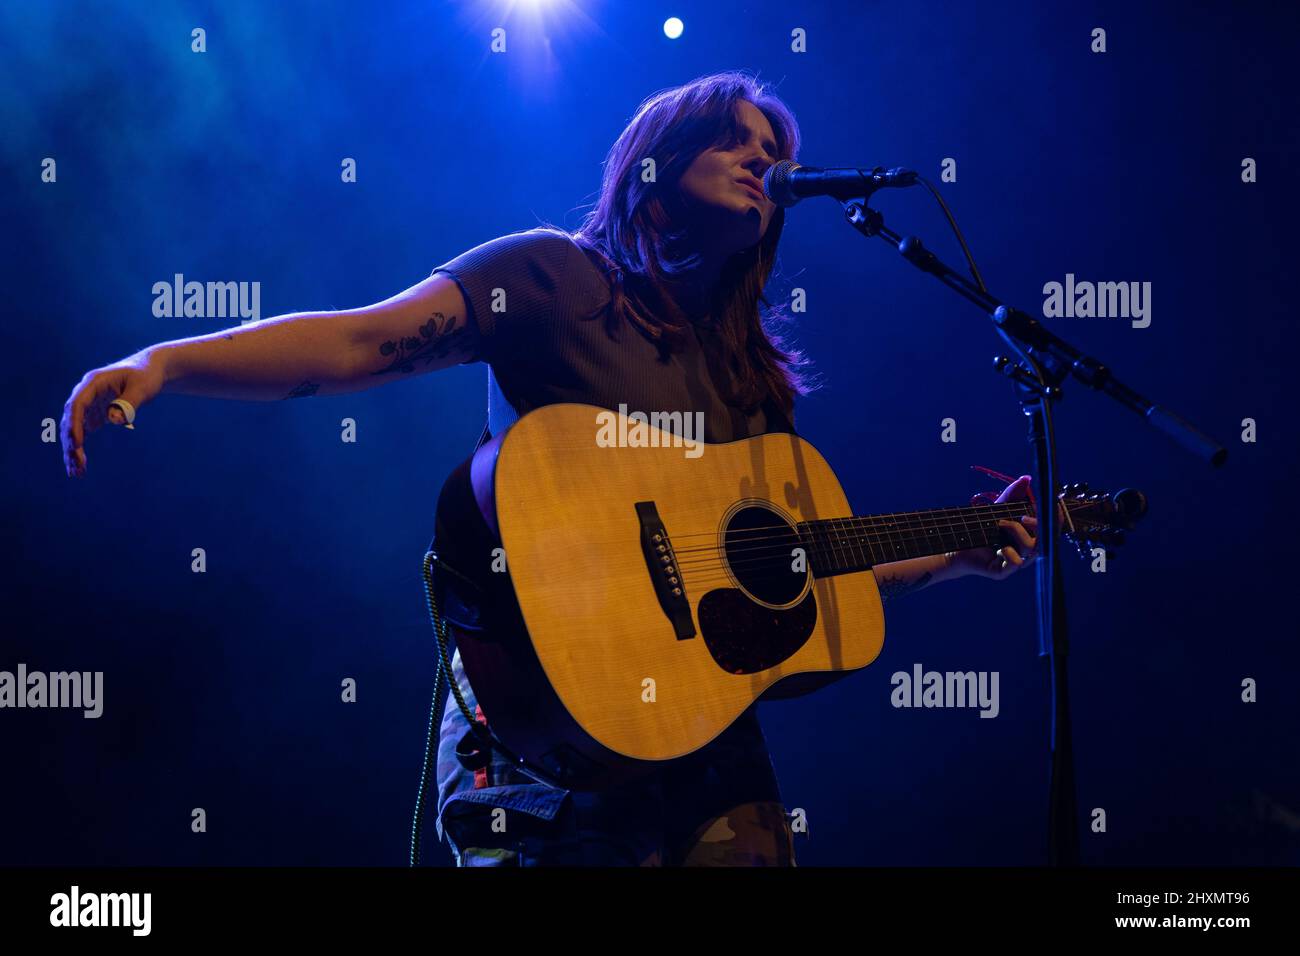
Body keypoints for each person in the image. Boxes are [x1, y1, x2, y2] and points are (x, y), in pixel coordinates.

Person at [60, 70, 1039, 866]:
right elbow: (362, 344)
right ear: (657, 158)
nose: (763, 162)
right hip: (539, 728)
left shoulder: (752, 383)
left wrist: (960, 550)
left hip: (707, 751)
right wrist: (168, 363)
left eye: (776, 154)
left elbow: (798, 578)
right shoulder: (551, 280)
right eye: (734, 139)